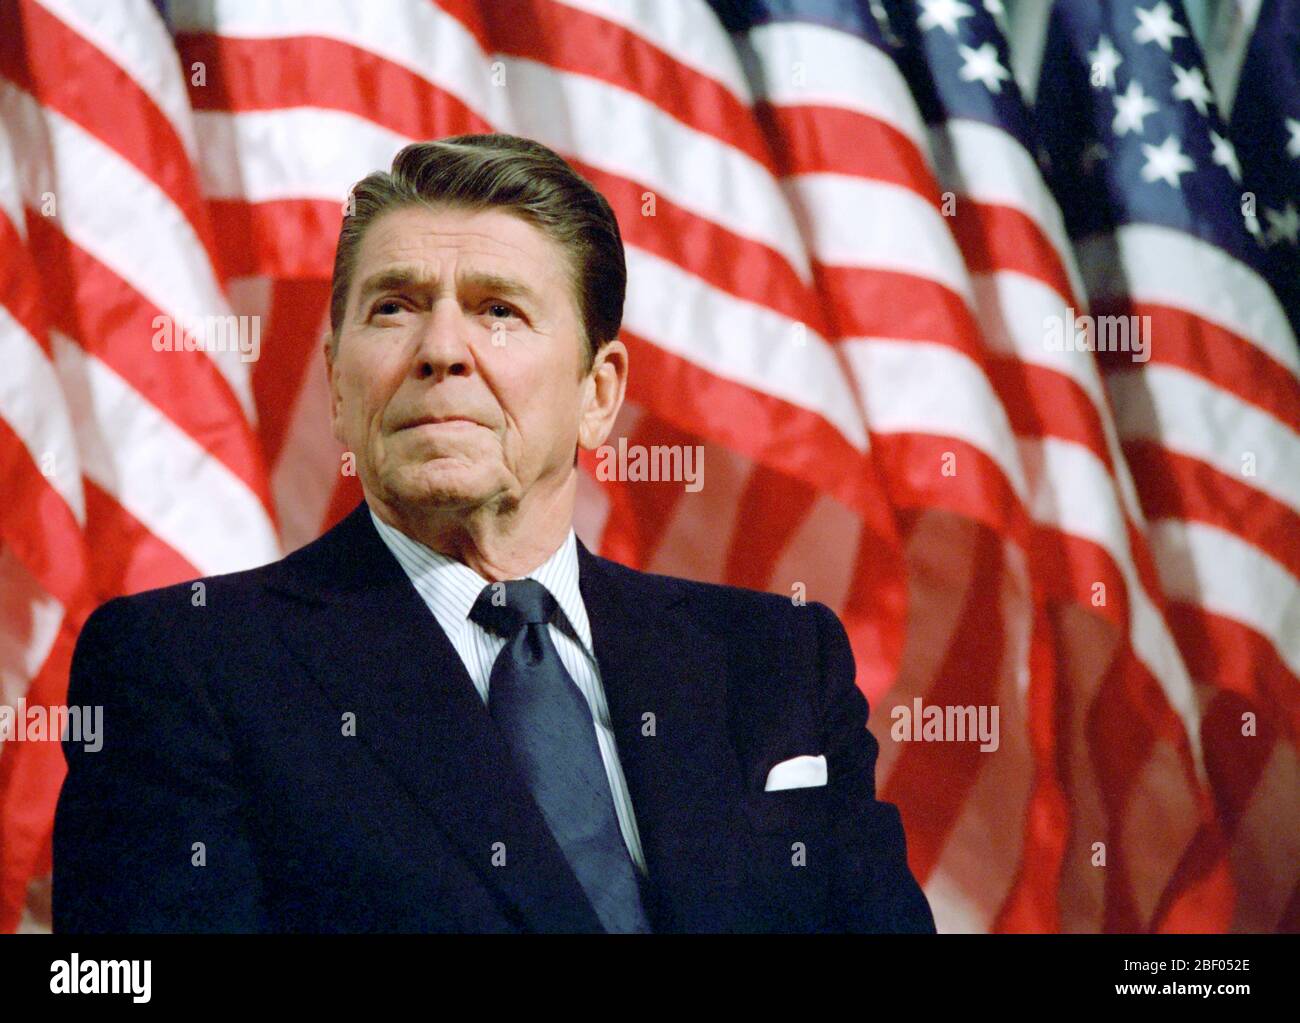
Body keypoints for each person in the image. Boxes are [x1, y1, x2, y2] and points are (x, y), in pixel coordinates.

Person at [52, 134, 936, 934]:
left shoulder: (775, 659)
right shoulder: (187, 664)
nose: (442, 349)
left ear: (599, 392)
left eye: (498, 310)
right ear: (335, 381)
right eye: (393, 307)